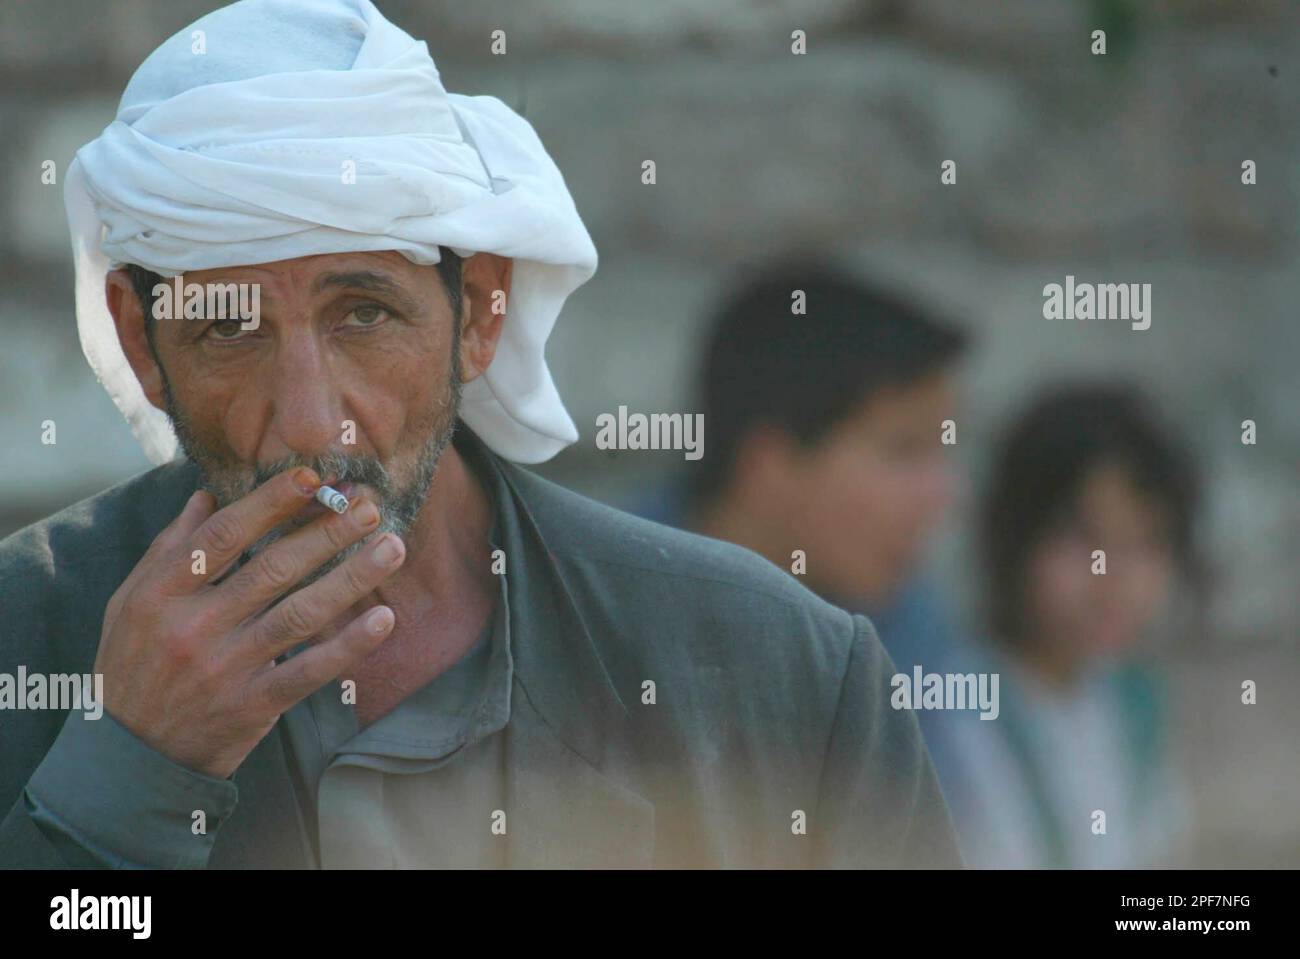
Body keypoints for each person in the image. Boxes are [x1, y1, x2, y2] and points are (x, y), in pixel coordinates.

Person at [0, 0, 960, 869]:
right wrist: (126, 775)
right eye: (229, 330)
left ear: (482, 313)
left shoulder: (779, 671)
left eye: (364, 315)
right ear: (142, 340)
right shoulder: (22, 636)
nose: (309, 421)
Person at [640, 265, 970, 731]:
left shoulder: (905, 627)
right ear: (770, 467)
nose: (942, 494)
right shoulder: (598, 615)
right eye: (903, 451)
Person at [934, 384, 1200, 868]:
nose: (1114, 575)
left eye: (1147, 541)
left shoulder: (1134, 704)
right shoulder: (955, 711)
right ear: (1015, 538)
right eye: (1084, 537)